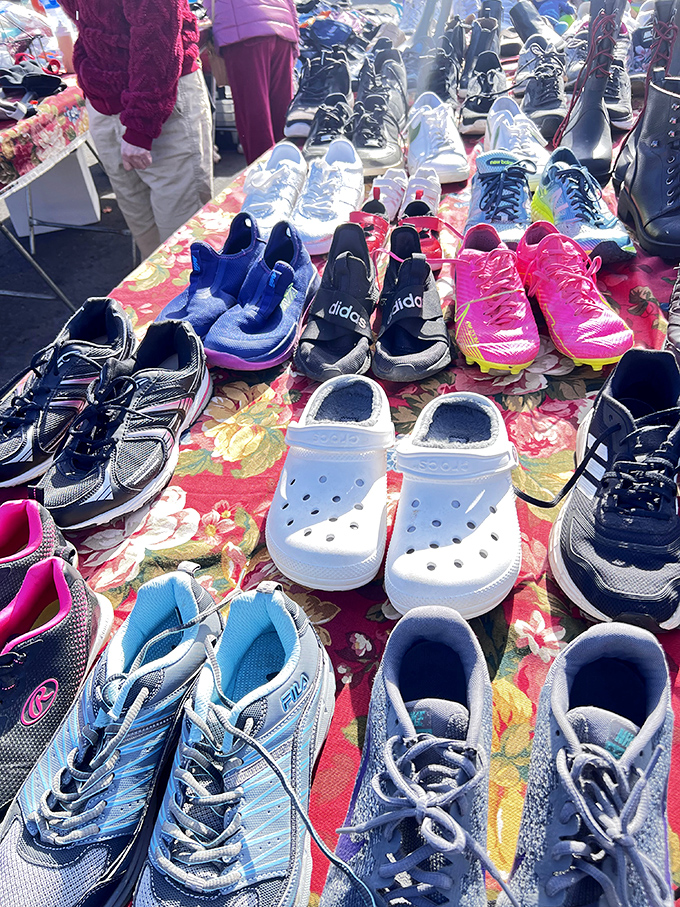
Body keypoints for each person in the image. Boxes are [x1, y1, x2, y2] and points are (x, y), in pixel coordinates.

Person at [58, 0, 214, 259]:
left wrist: (141, 124)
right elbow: (85, 18)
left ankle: (183, 297)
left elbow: (157, 33)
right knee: (146, 234)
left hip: (162, 94)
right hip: (107, 97)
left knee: (182, 241)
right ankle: (159, 297)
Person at [210, 0, 298, 165]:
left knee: (254, 116)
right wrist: (295, 43)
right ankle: (289, 171)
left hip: (244, 32)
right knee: (281, 113)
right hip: (282, 28)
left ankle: (264, 178)